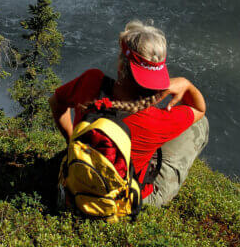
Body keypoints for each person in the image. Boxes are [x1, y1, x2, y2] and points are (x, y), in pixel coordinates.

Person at [48, 20, 208, 206]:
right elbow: (199, 109)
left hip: (76, 180)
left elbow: (56, 102)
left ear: (121, 65)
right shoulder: (157, 121)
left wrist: (71, 142)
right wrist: (185, 83)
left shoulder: (91, 81)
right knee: (199, 124)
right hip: (124, 202)